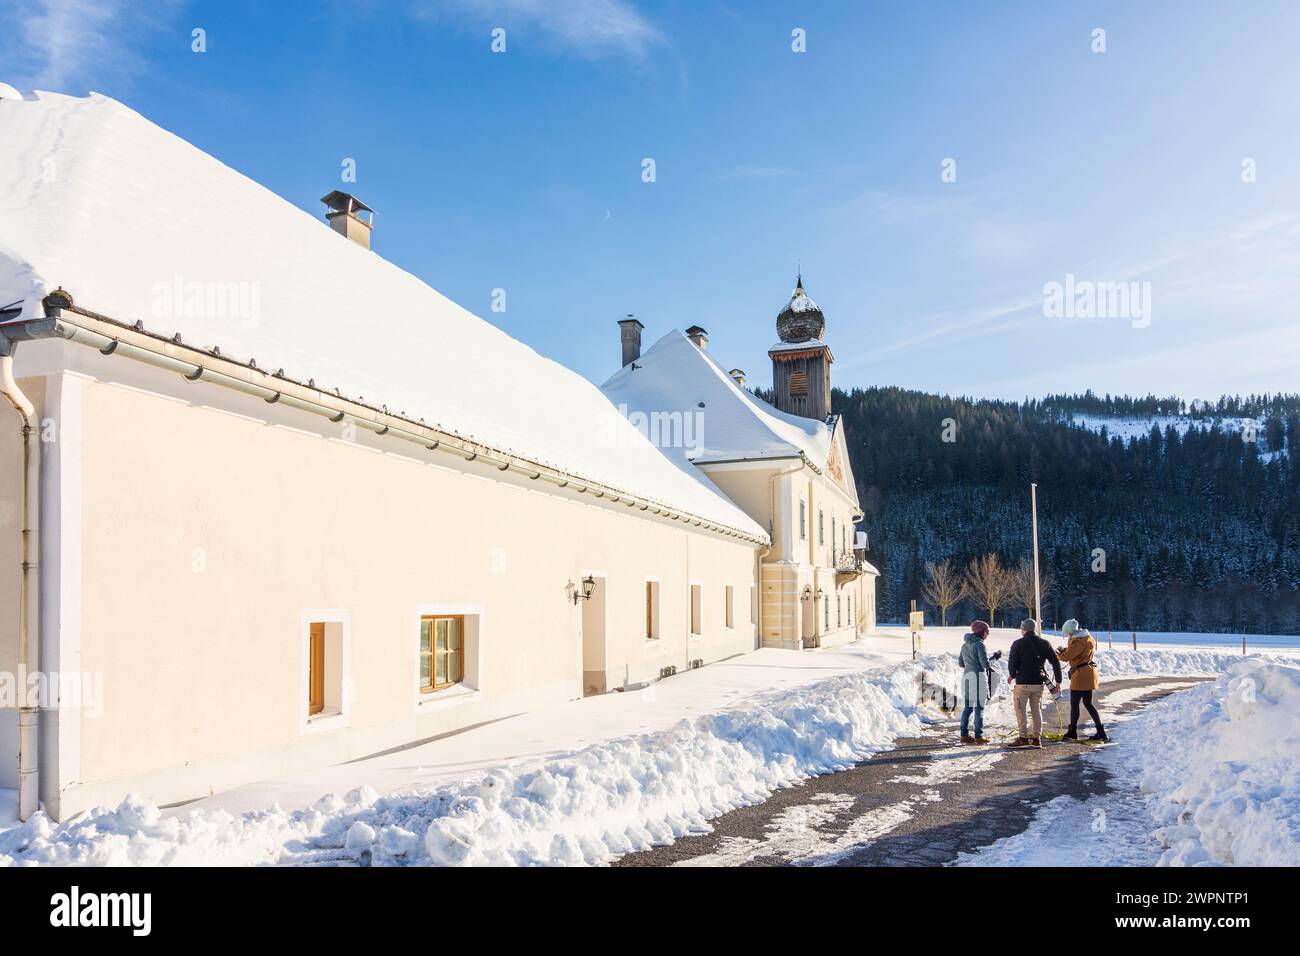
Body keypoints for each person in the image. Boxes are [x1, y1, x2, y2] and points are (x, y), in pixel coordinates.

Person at [1005, 619, 1062, 748]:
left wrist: (1012, 674)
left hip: (1022, 683)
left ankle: (1023, 738)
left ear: (1023, 629)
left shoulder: (1018, 644)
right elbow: (1055, 662)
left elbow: (1012, 663)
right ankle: (1036, 738)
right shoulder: (1045, 643)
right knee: (1036, 710)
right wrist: (1058, 681)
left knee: (1021, 710)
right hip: (1038, 683)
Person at [1057, 620, 1107, 741]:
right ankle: (1101, 732)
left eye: (1067, 633)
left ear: (1071, 632)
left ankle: (1072, 732)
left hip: (1080, 675)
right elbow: (1077, 652)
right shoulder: (1086, 638)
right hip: (1088, 672)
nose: (1067, 636)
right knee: (1088, 704)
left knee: (1074, 704)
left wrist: (1058, 653)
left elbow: (1067, 656)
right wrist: (1066, 649)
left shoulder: (1077, 641)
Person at [957, 620, 991, 744]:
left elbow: (961, 663)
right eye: (987, 631)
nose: (988, 634)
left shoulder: (964, 645)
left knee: (968, 708)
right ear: (981, 632)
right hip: (978, 678)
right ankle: (979, 735)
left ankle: (964, 735)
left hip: (967, 678)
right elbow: (985, 664)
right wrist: (994, 659)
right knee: (979, 708)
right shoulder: (980, 645)